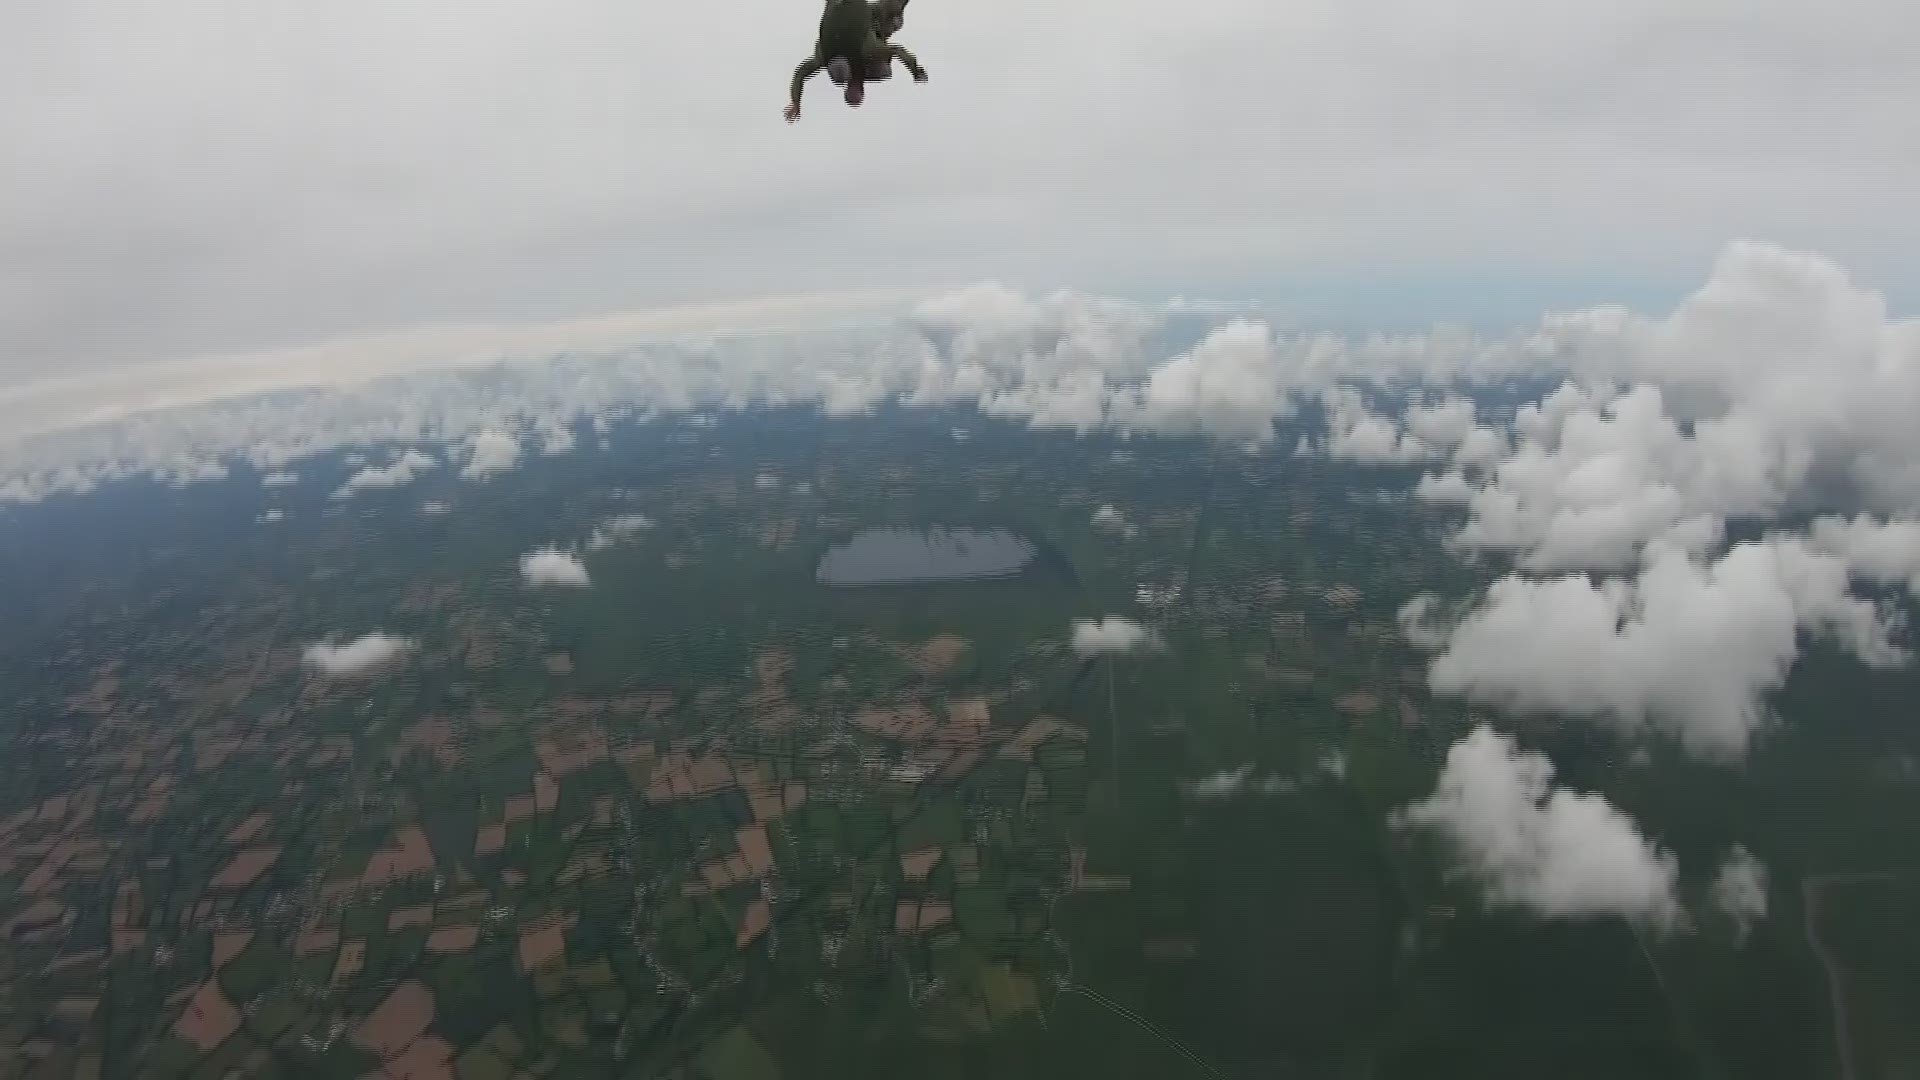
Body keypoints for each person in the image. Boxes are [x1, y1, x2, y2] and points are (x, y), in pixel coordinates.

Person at [786, 0, 927, 122]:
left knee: (888, 25)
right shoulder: (859, 54)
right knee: (892, 20)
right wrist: (915, 70)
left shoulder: (861, 52)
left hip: (861, 18)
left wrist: (795, 101)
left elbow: (800, 74)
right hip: (869, 19)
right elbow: (800, 74)